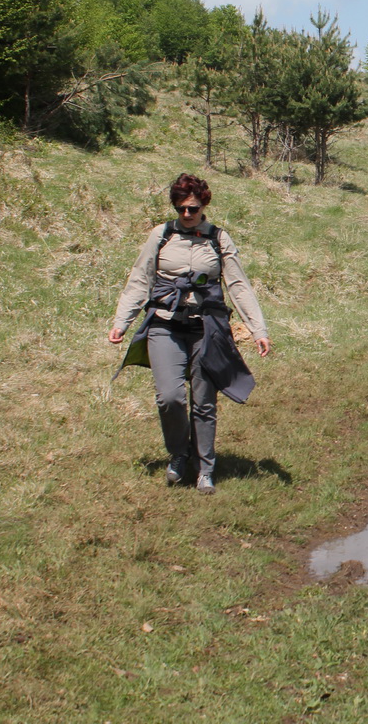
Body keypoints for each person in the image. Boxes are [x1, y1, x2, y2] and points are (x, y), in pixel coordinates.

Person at [109, 173, 271, 494]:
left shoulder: (218, 238)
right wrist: (121, 321)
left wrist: (257, 329)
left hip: (206, 326)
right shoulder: (162, 235)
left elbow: (237, 285)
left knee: (204, 401)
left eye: (193, 208)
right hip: (164, 324)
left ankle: (205, 468)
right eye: (181, 208)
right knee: (169, 397)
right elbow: (140, 279)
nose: (187, 215)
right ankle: (180, 454)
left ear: (203, 205)